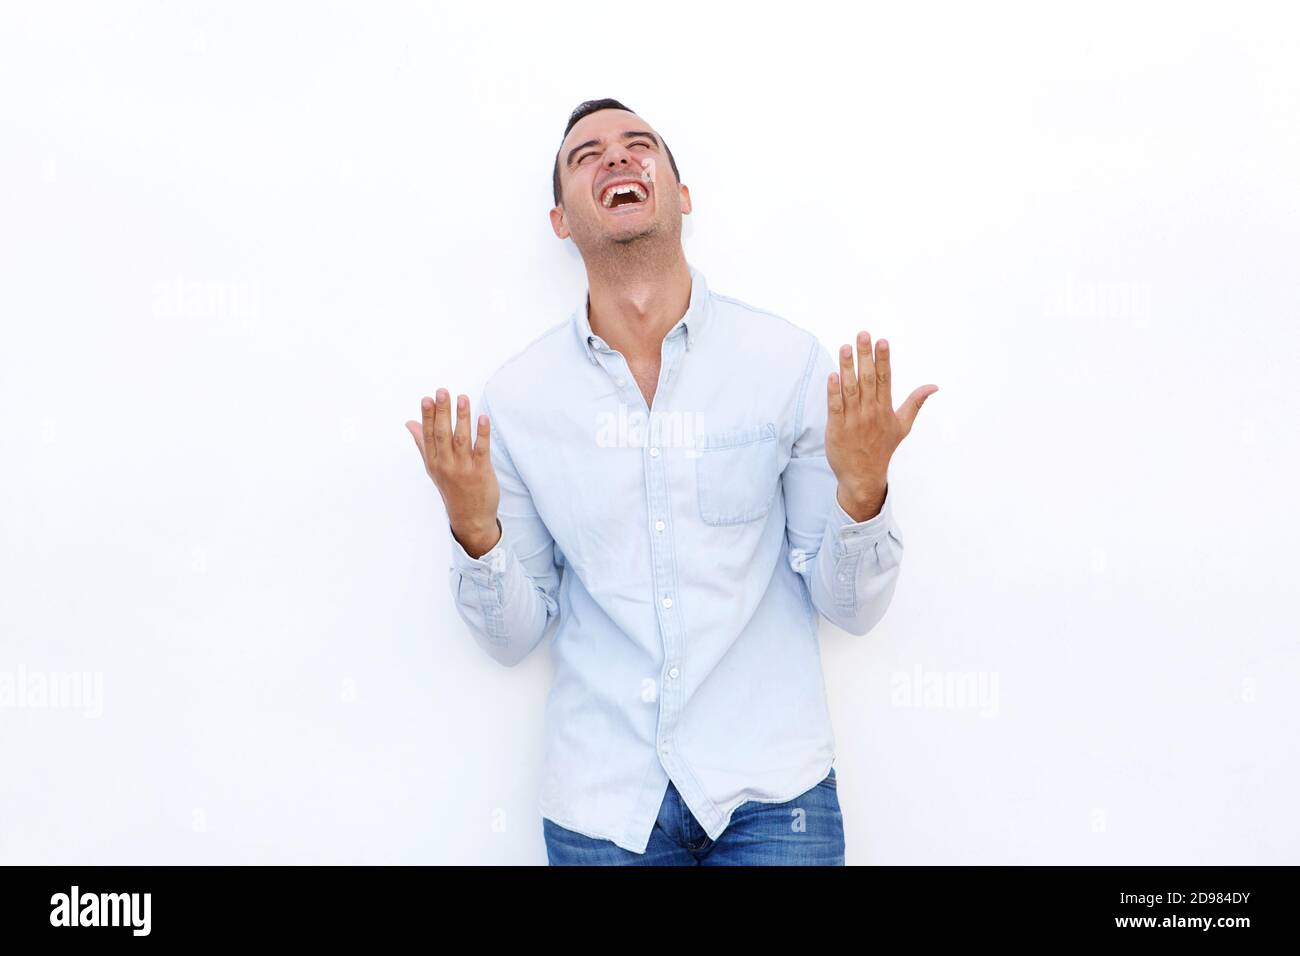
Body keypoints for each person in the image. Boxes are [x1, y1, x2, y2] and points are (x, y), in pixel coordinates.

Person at [405, 98, 938, 865]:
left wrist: (863, 491)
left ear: (680, 195)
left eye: (637, 144)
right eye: (587, 155)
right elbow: (513, 639)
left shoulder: (784, 363)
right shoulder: (519, 403)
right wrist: (473, 529)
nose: (616, 158)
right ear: (562, 220)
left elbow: (849, 611)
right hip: (603, 805)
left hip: (774, 791)